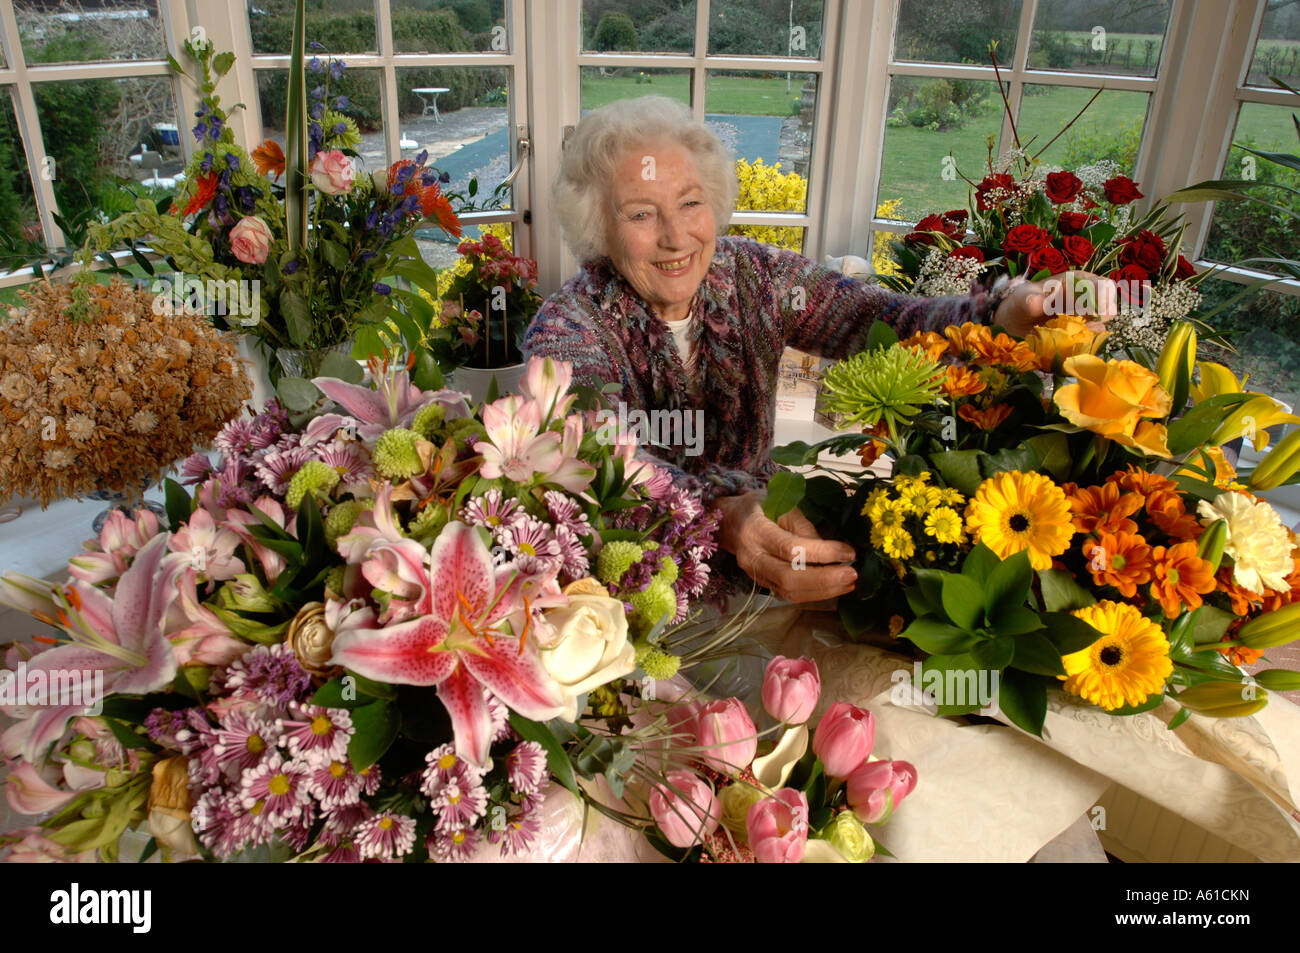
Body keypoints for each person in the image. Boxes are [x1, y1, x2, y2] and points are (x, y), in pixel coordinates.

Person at [523, 96, 1115, 604]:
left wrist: (1003, 310)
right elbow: (596, 459)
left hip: (780, 553)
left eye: (689, 203)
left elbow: (881, 319)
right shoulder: (567, 330)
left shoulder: (753, 274)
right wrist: (721, 514)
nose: (676, 237)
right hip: (637, 593)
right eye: (641, 214)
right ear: (599, 224)